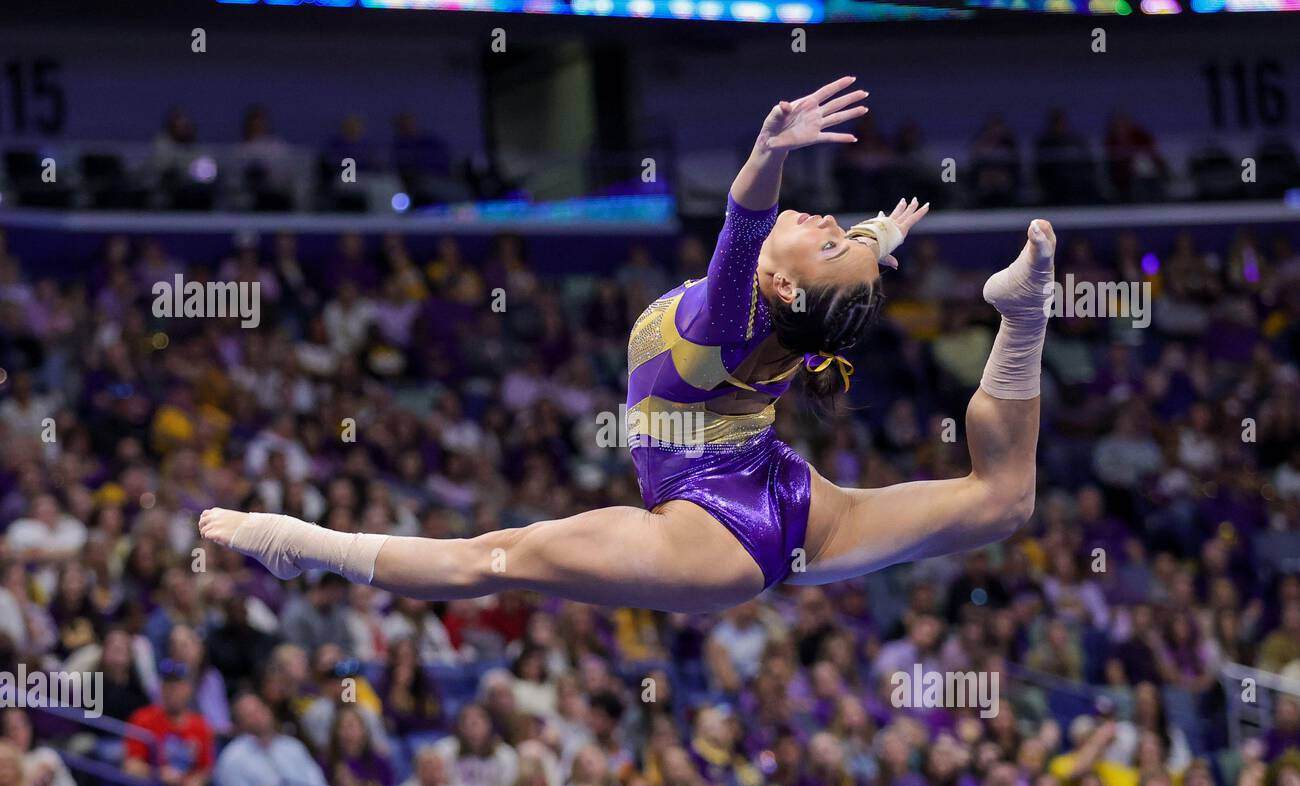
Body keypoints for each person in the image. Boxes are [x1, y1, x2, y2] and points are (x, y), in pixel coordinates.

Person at [200, 77, 1048, 623]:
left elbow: (747, 218)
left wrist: (768, 151)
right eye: (840, 233)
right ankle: (1024, 315)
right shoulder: (804, 311)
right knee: (1002, 503)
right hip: (784, 488)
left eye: (831, 243)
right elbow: (837, 273)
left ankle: (300, 544)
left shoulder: (730, 315)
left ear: (785, 287)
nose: (830, 224)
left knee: (497, 559)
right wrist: (877, 237)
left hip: (719, 531)